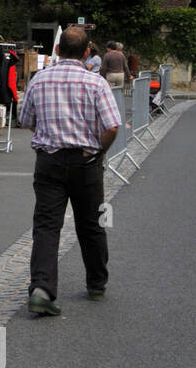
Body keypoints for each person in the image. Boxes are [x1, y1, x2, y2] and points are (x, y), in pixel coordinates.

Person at [18, 26, 121, 316]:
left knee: (47, 226)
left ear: (58, 50)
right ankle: (97, 283)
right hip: (86, 162)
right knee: (91, 224)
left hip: (49, 161)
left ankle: (42, 288)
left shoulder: (39, 80)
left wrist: (48, 130)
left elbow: (26, 120)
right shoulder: (95, 82)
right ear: (88, 52)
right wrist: (99, 150)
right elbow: (112, 126)